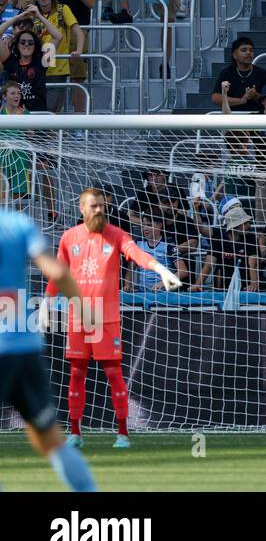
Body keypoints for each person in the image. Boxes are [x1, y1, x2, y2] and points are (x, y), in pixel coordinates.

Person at [52, 187, 183, 448]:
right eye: (93, 206)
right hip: (78, 318)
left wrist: (160, 268)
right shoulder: (69, 238)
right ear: (82, 209)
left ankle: (123, 433)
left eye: (102, 206)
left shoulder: (117, 235)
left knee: (113, 373)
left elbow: (137, 254)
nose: (99, 210)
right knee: (76, 374)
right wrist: (47, 301)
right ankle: (75, 433)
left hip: (107, 319)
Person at [0, 207, 99, 489]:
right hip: (25, 348)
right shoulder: (19, 223)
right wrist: (83, 308)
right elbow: (56, 270)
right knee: (50, 438)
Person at [210, 36, 266, 113]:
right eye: (244, 50)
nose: (248, 53)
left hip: (257, 117)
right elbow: (215, 98)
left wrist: (255, 95)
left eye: (251, 50)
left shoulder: (262, 73)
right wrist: (241, 100)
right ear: (235, 55)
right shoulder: (226, 73)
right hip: (233, 117)